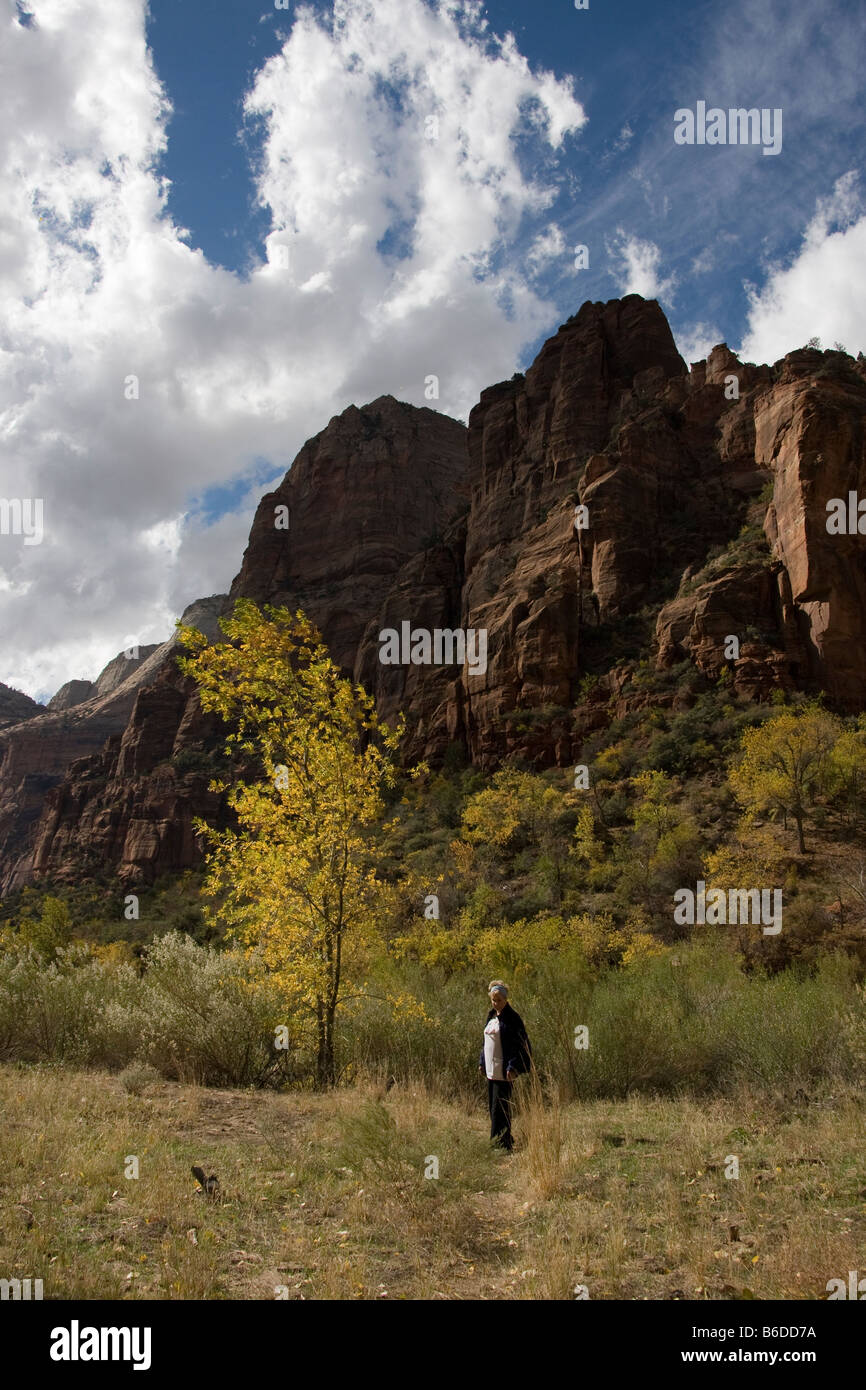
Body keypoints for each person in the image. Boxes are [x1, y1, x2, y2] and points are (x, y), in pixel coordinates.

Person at [478, 980, 532, 1151]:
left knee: (501, 1108)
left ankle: (501, 1145)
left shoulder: (513, 1018)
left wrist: (513, 1067)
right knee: (492, 1108)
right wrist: (482, 1063)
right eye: (493, 1000)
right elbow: (485, 1043)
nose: (496, 1003)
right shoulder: (491, 1016)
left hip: (505, 1071)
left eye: (499, 1000)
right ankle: (501, 1141)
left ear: (505, 999)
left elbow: (520, 1044)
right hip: (491, 1072)